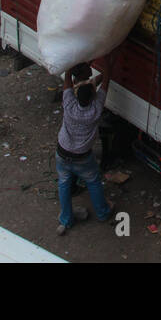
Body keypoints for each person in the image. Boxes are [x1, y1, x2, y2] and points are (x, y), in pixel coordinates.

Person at [55, 61, 115, 235]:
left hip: (62, 152)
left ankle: (65, 221)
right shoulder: (96, 109)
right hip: (82, 157)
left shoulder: (69, 104)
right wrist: (108, 67)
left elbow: (67, 82)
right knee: (93, 181)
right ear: (92, 97)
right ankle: (103, 213)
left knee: (64, 184)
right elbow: (105, 84)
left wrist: (70, 66)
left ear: (75, 94)